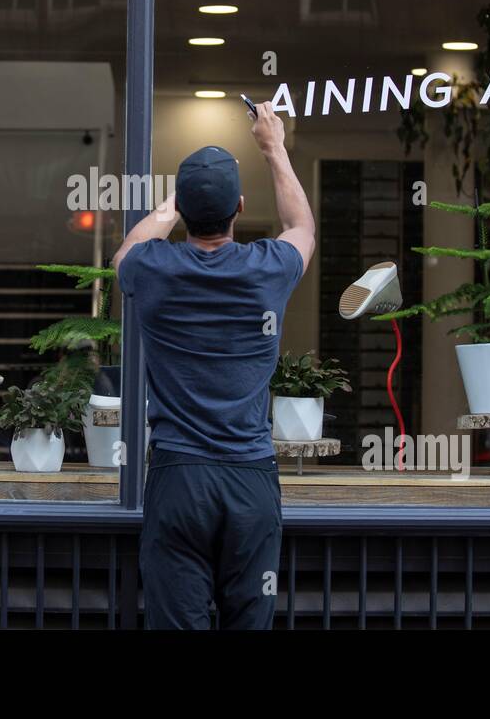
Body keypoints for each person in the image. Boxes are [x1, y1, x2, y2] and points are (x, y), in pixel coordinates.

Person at [113, 102, 315, 630]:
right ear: (240, 207)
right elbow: (302, 226)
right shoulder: (267, 268)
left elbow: (125, 253)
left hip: (178, 479)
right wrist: (273, 147)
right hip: (250, 478)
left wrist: (171, 208)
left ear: (181, 206)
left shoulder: (153, 270)